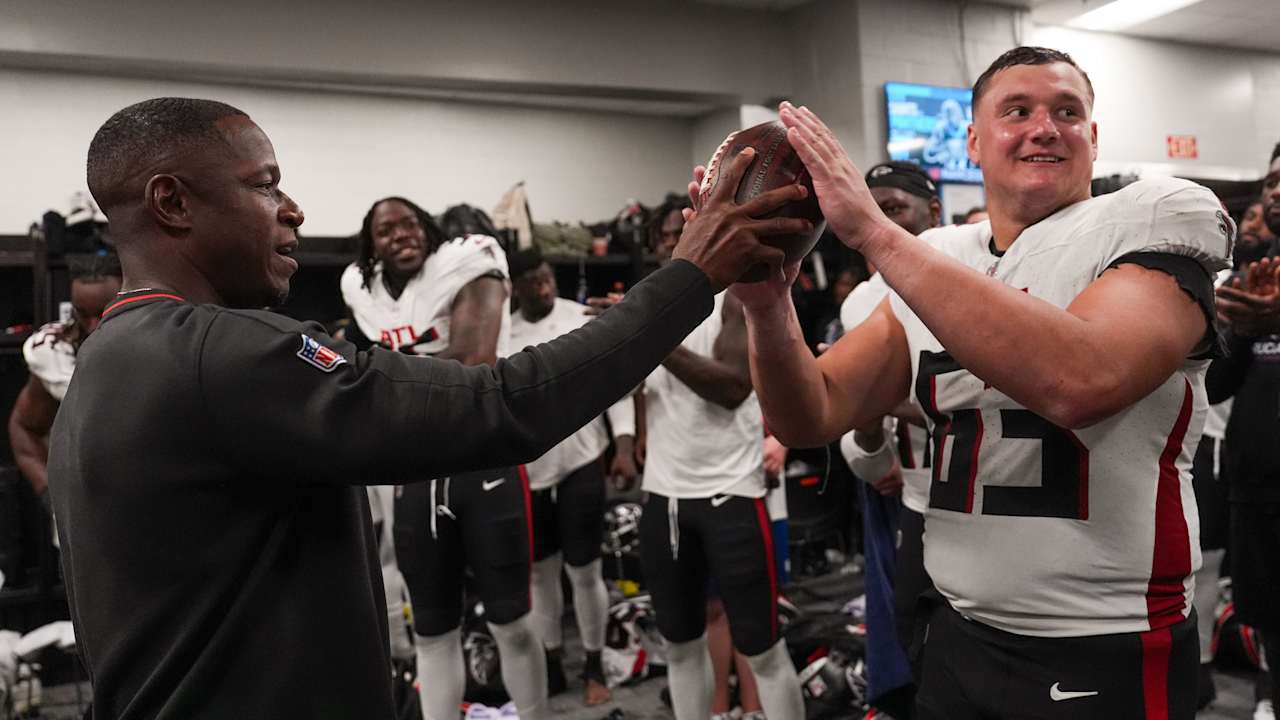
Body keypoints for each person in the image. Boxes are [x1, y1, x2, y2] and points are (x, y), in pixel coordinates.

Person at [49, 97, 808, 719]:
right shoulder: (216, 353)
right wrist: (689, 275)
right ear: (172, 202)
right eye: (265, 185)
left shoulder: (107, 360)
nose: (294, 210)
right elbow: (501, 405)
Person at [710, 47, 1230, 720]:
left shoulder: (1155, 214)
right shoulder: (940, 259)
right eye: (1018, 110)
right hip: (956, 630)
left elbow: (1082, 378)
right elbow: (813, 412)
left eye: (1067, 112)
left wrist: (872, 231)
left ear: (1093, 138)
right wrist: (766, 302)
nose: (1045, 127)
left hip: (1103, 641)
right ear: (974, 142)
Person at [339, 196, 552, 720]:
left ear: (430, 231)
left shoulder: (470, 259)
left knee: (512, 623)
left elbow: (470, 367)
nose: (401, 235)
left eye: (410, 223)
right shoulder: (359, 286)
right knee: (432, 628)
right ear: (371, 245)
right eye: (386, 230)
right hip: (417, 469)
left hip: (484, 463)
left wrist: (385, 374)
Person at [636, 197, 803, 720]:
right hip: (664, 498)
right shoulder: (646, 304)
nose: (670, 241)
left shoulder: (735, 293)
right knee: (680, 644)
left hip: (731, 494)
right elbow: (639, 391)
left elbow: (732, 387)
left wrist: (649, 336)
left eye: (677, 230)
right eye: (662, 235)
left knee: (763, 646)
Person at [506, 246, 638, 707]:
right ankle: (553, 661)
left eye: (546, 276)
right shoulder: (502, 330)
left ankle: (595, 663)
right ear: (514, 287)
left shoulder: (580, 316)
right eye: (532, 280)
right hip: (530, 472)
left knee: (585, 569)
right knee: (541, 574)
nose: (543, 285)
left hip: (583, 460)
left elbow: (613, 385)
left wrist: (623, 445)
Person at [838, 160, 940, 719]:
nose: (880, 223)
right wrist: (874, 419)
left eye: (895, 209)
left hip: (986, 498)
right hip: (910, 499)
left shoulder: (977, 274)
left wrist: (895, 399)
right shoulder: (861, 302)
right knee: (912, 649)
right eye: (871, 209)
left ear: (934, 212)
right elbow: (863, 449)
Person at [1207, 142, 1280, 720]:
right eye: (1272, 179)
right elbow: (1218, 386)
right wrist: (1232, 329)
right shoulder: (1260, 266)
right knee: (1269, 616)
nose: (1275, 191)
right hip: (1257, 483)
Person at [8, 253, 122, 516]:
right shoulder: (55, 351)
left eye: (102, 313)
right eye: (83, 313)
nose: (93, 326)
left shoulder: (153, 343)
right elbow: (24, 426)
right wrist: (47, 491)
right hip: (85, 517)